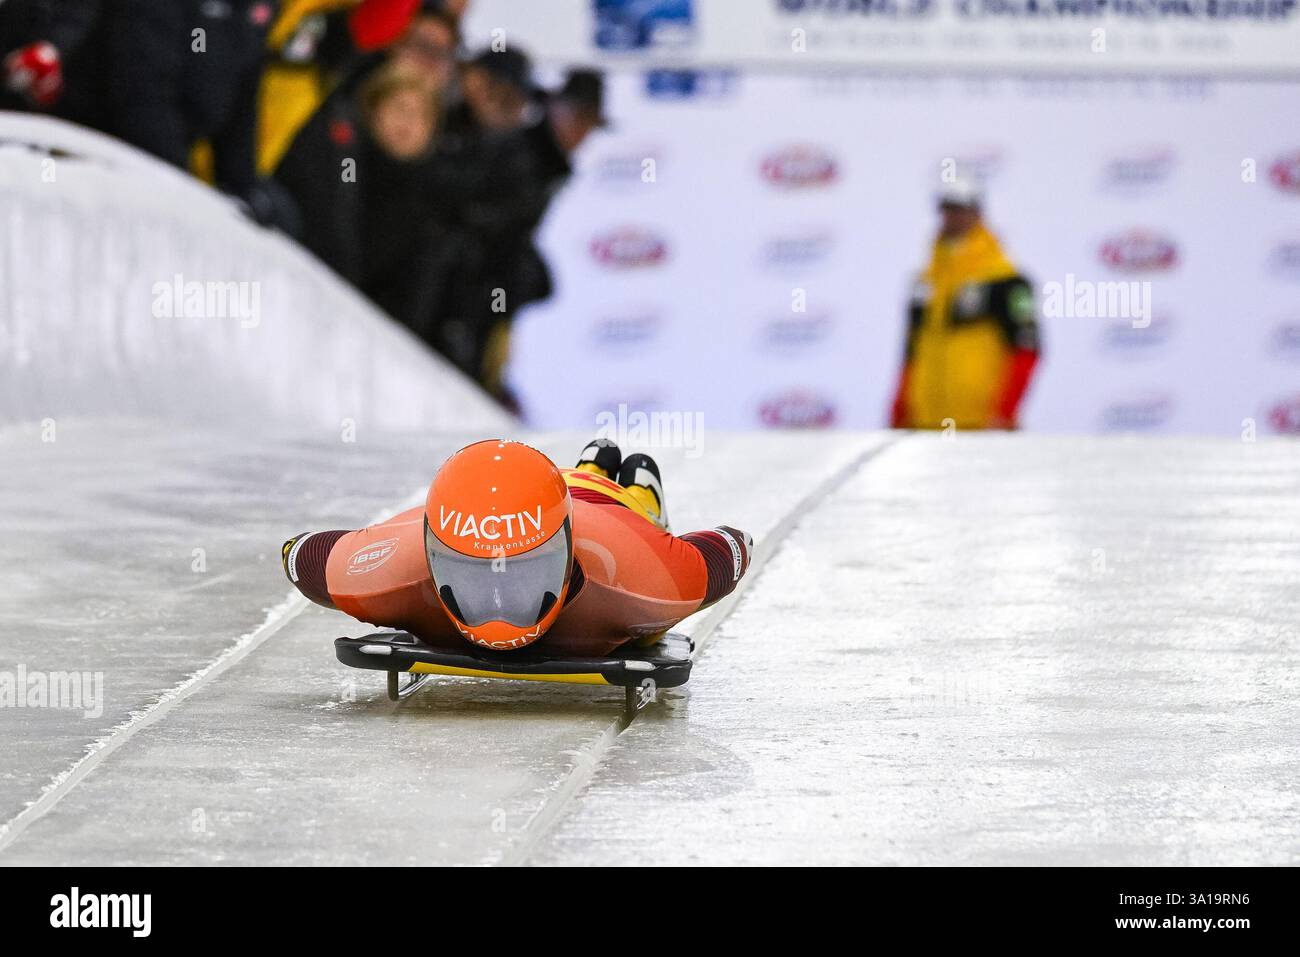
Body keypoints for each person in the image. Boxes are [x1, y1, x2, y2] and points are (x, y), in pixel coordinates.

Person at [281, 439, 754, 656]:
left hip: (608, 522)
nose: (498, 602)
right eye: (469, 572)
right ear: (431, 552)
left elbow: (304, 557)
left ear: (567, 554)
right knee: (603, 478)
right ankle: (601, 472)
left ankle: (626, 489)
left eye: (525, 569)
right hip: (585, 527)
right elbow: (733, 550)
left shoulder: (643, 573)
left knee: (620, 496)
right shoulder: (389, 566)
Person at [890, 176, 1041, 431]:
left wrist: (1005, 413)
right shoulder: (924, 282)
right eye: (947, 209)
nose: (953, 217)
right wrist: (899, 410)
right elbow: (910, 354)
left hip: (980, 425)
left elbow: (1027, 350)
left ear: (977, 214)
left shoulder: (1009, 281)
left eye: (960, 209)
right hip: (925, 424)